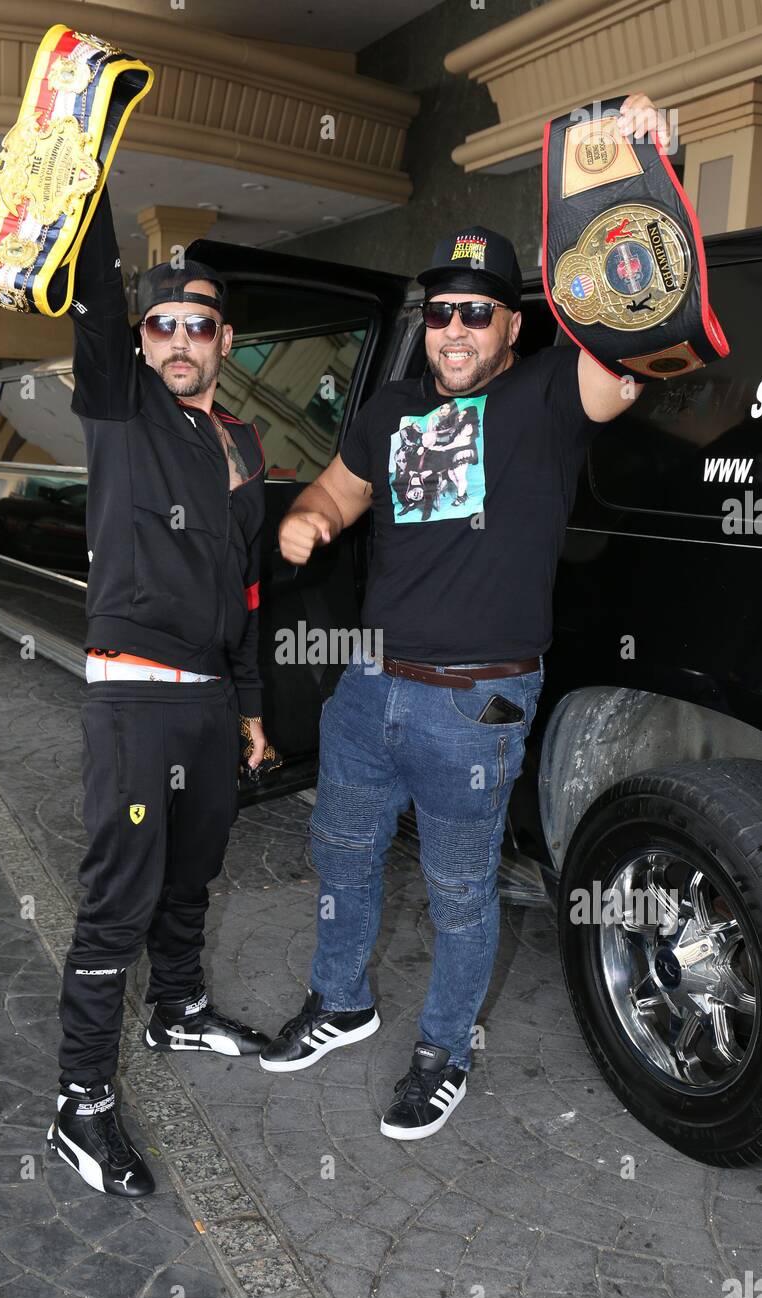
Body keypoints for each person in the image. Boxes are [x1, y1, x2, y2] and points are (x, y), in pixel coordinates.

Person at [260, 95, 672, 1142]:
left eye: (474, 310)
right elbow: (335, 494)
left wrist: (635, 180)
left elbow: (630, 333)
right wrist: (305, 518)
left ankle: (443, 1049)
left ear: (511, 325)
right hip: (368, 690)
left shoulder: (547, 398)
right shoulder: (393, 409)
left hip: (478, 704)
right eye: (438, 310)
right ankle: (341, 1002)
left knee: (456, 888)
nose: (451, 327)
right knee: (342, 855)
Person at [45, 184, 272, 1197]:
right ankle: (79, 1104)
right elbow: (91, 301)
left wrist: (252, 703)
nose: (180, 339)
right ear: (140, 338)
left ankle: (176, 1007)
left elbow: (247, 587)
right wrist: (88, 171)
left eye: (199, 325)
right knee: (118, 901)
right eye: (161, 324)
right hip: (134, 696)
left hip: (211, 698)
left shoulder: (242, 445)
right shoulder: (121, 406)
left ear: (226, 341)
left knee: (190, 876)